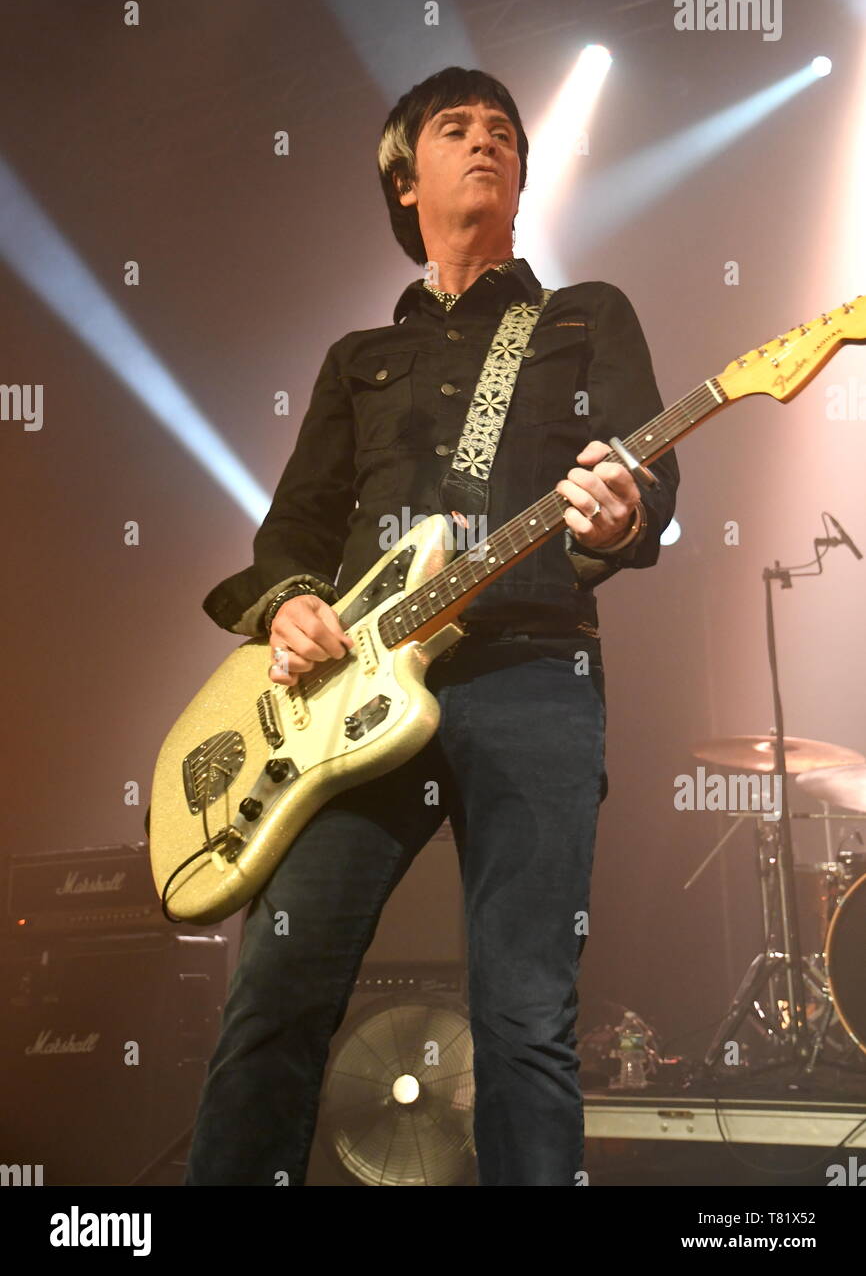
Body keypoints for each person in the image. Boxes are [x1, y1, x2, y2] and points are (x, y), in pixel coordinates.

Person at [184, 66, 679, 1186]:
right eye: (454, 128)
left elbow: (646, 474)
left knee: (523, 1013)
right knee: (273, 991)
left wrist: (620, 509)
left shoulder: (584, 314)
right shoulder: (357, 359)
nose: (486, 140)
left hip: (529, 674)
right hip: (348, 705)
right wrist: (293, 605)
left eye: (504, 130)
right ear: (405, 183)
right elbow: (288, 536)